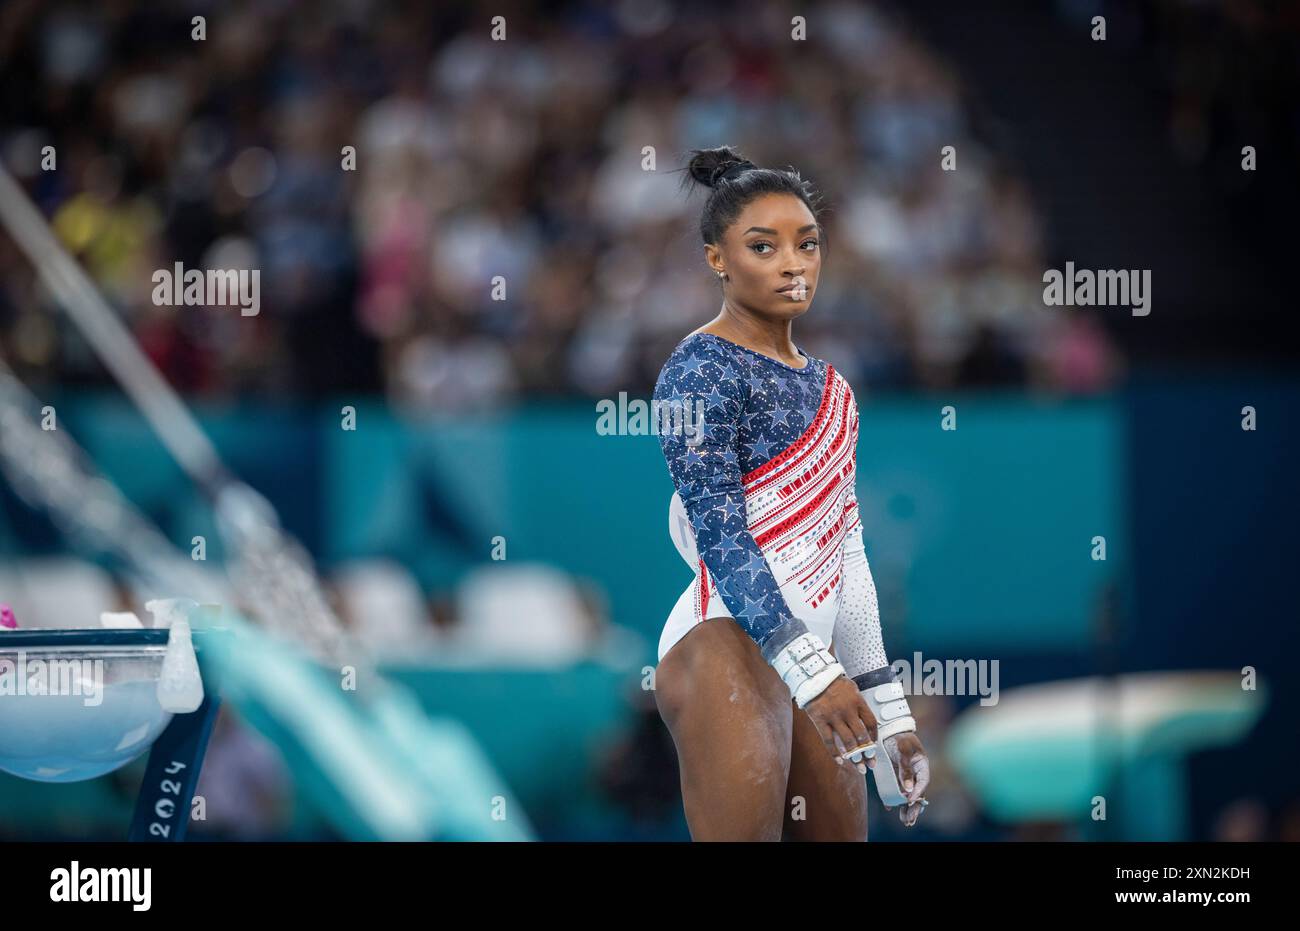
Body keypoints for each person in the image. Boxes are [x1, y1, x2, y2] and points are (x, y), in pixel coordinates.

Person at [651, 146, 930, 841]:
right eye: (762, 245)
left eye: (807, 244)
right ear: (717, 257)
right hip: (726, 641)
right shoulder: (698, 370)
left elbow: (849, 552)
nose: (792, 263)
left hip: (814, 656)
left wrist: (887, 708)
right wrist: (808, 667)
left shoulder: (835, 389)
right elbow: (722, 534)